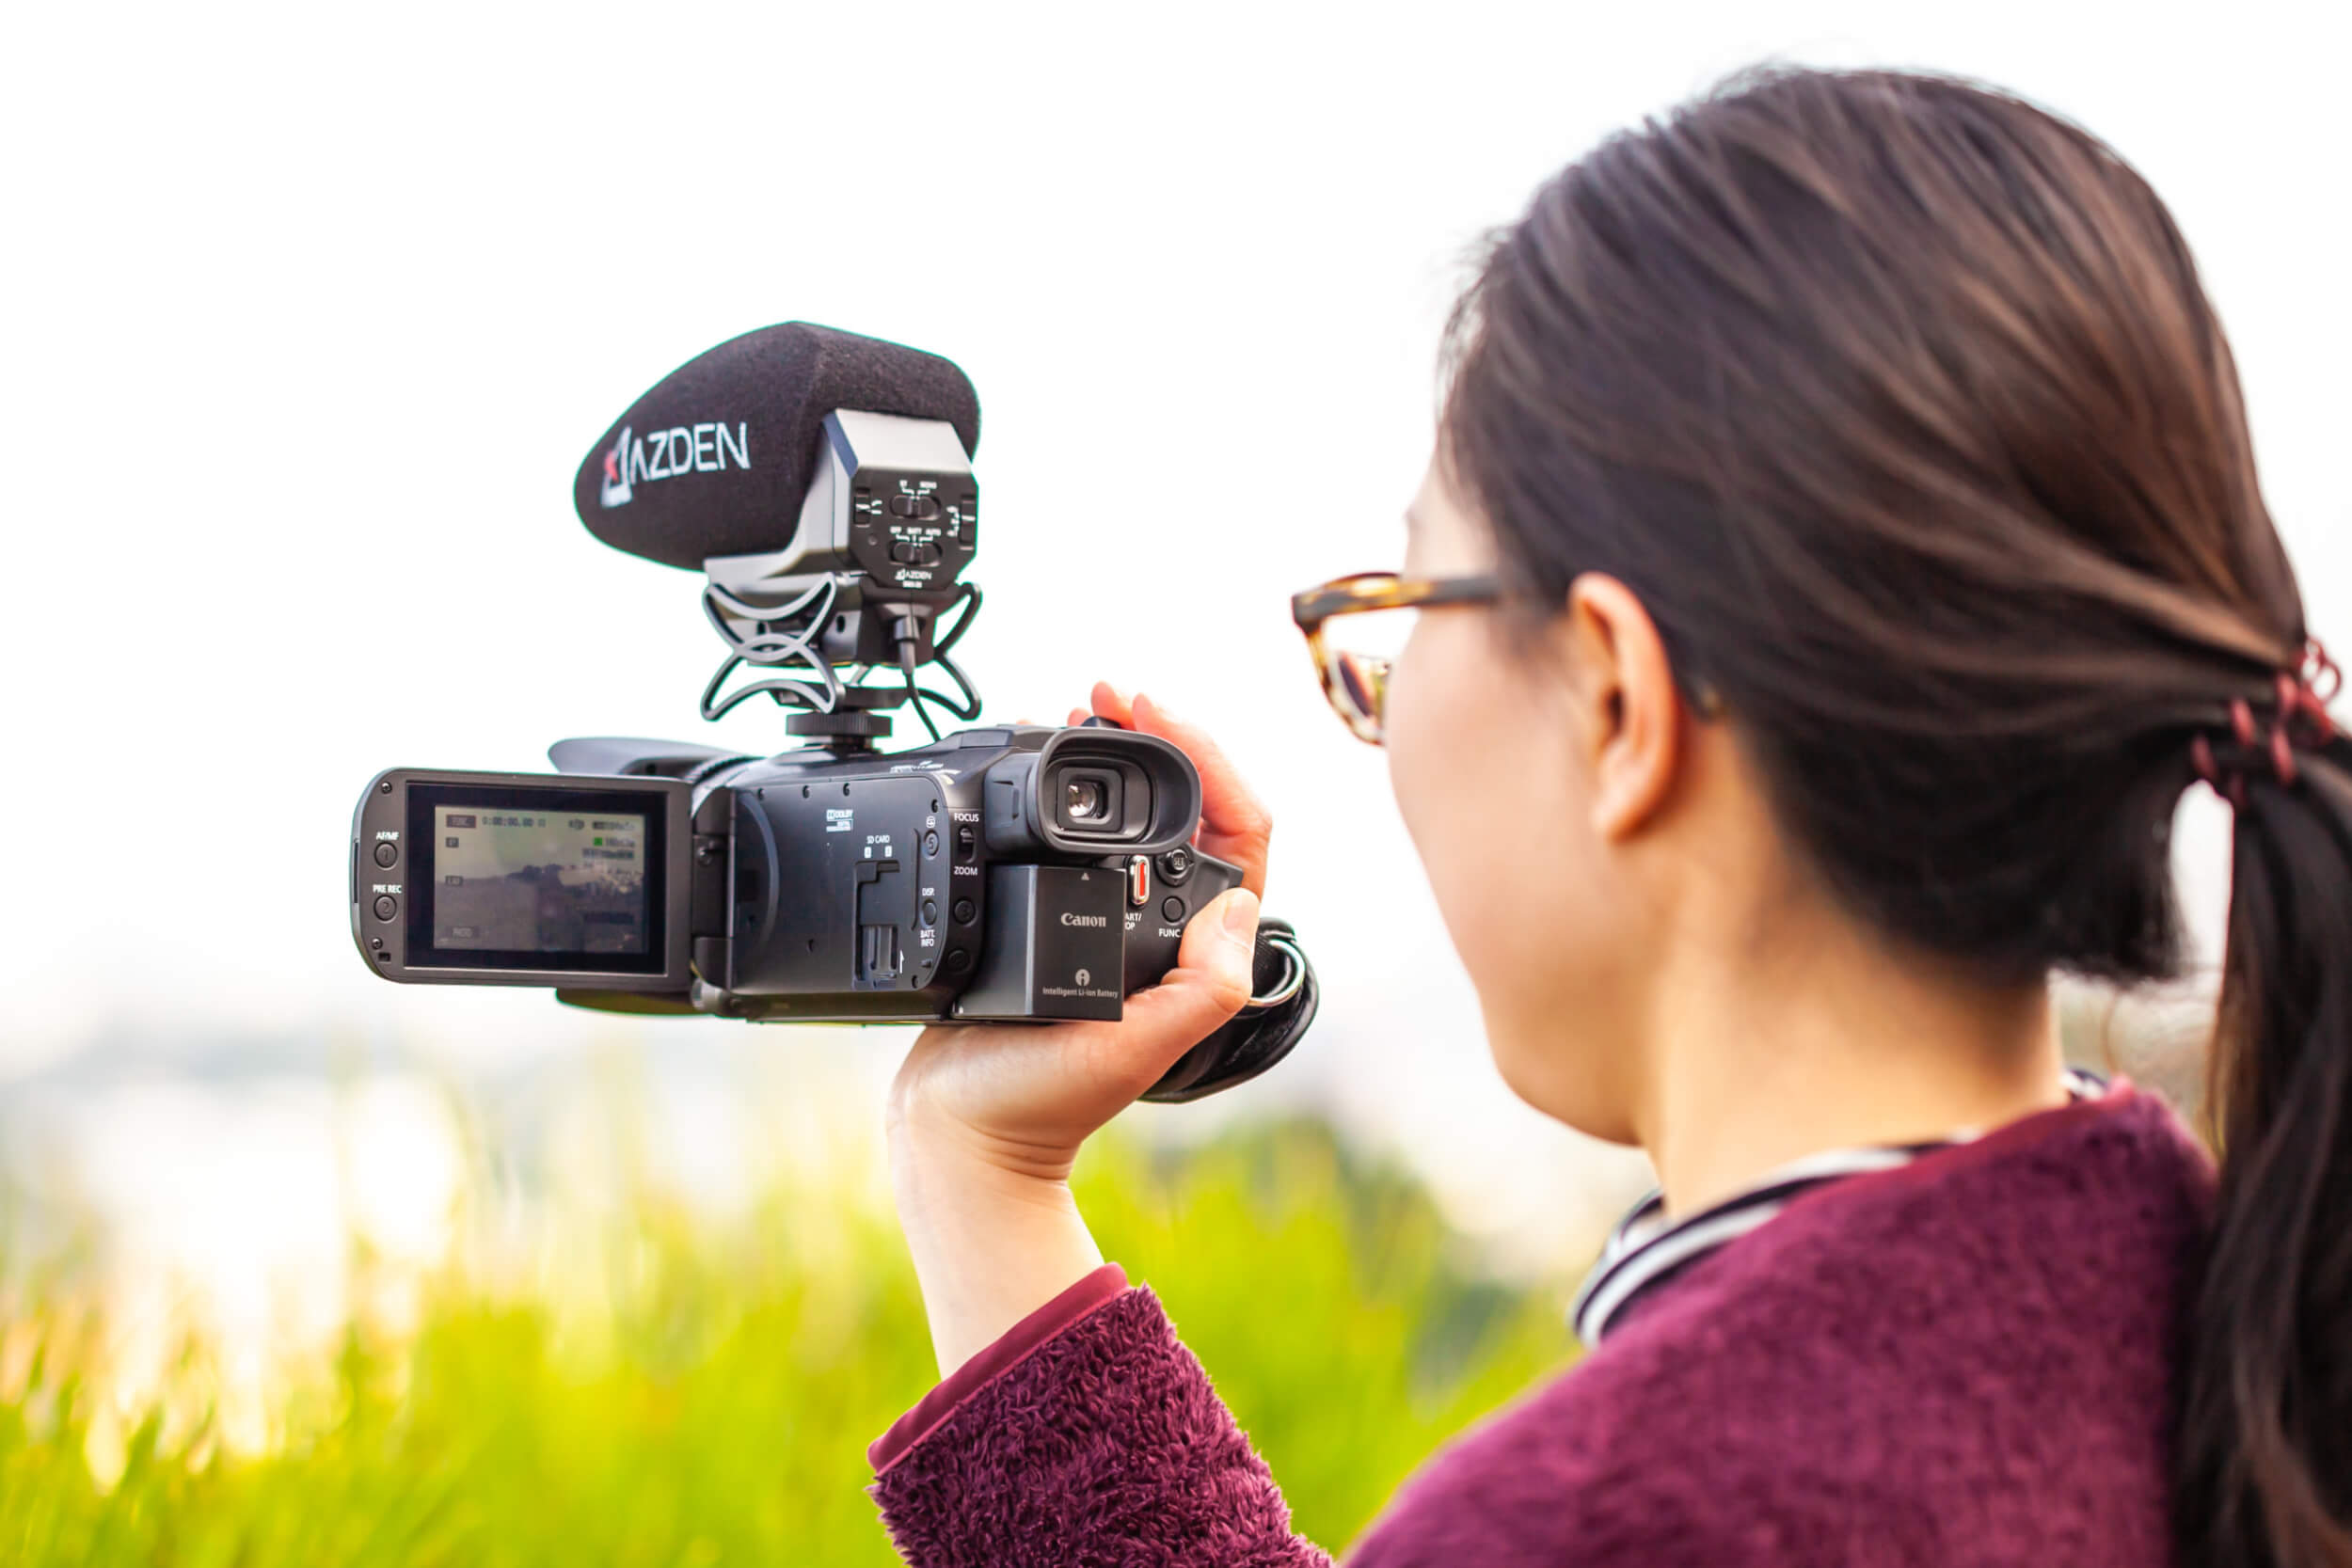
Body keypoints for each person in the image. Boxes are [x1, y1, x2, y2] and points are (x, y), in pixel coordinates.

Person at [865, 62, 2352, 1567]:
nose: (1387, 706)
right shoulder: (2221, 1330)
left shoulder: (1604, 1517)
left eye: (1408, 607)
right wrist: (981, 1180)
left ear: (1620, 706)